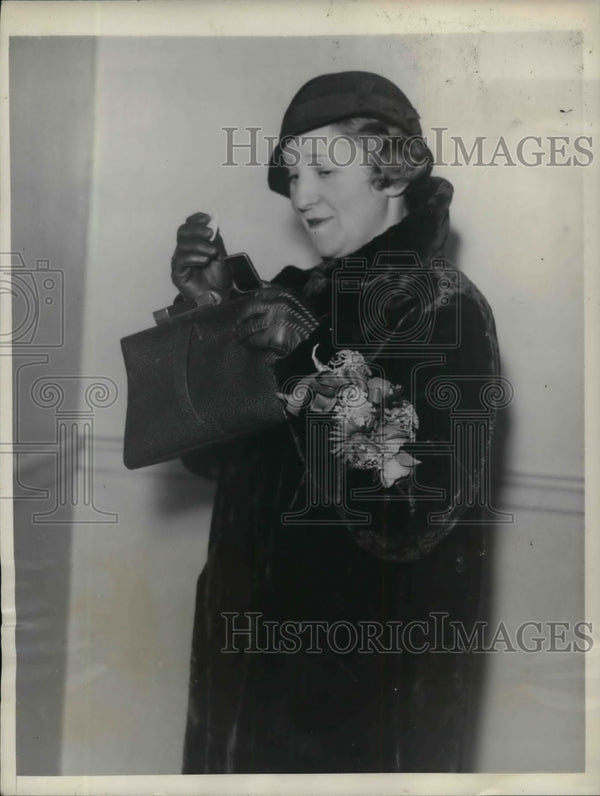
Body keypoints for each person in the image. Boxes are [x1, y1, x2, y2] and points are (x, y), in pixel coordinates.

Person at [170, 71, 501, 773]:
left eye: (323, 169)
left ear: (393, 172)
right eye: (292, 173)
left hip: (352, 707)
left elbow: (408, 516)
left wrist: (305, 359)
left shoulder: (443, 308)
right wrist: (208, 315)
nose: (300, 196)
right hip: (241, 681)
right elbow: (208, 458)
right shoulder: (294, 297)